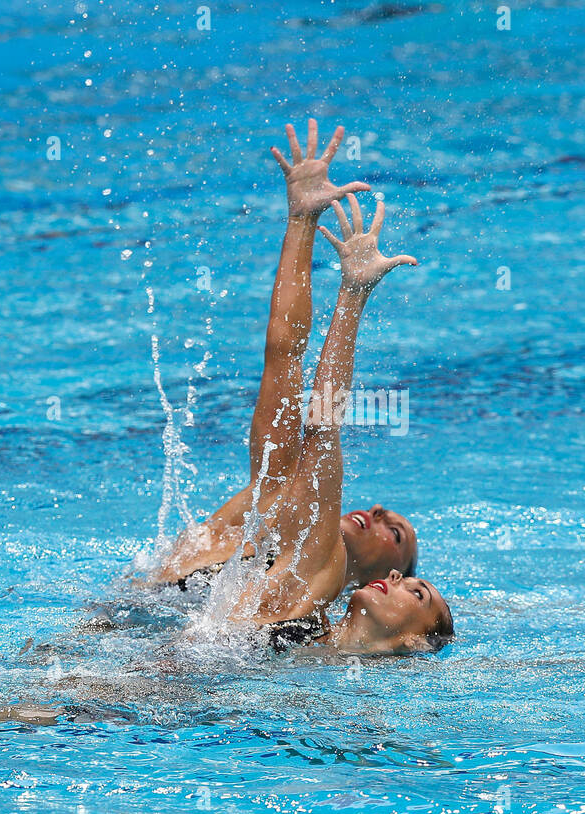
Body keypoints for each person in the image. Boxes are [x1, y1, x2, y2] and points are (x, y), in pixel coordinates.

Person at [145, 119, 452, 654]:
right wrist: (302, 219)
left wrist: (353, 294)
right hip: (130, 632)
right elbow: (282, 356)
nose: (377, 513)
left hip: (148, 666)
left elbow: (324, 427)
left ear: (375, 576)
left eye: (394, 535)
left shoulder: (316, 574)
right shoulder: (280, 506)